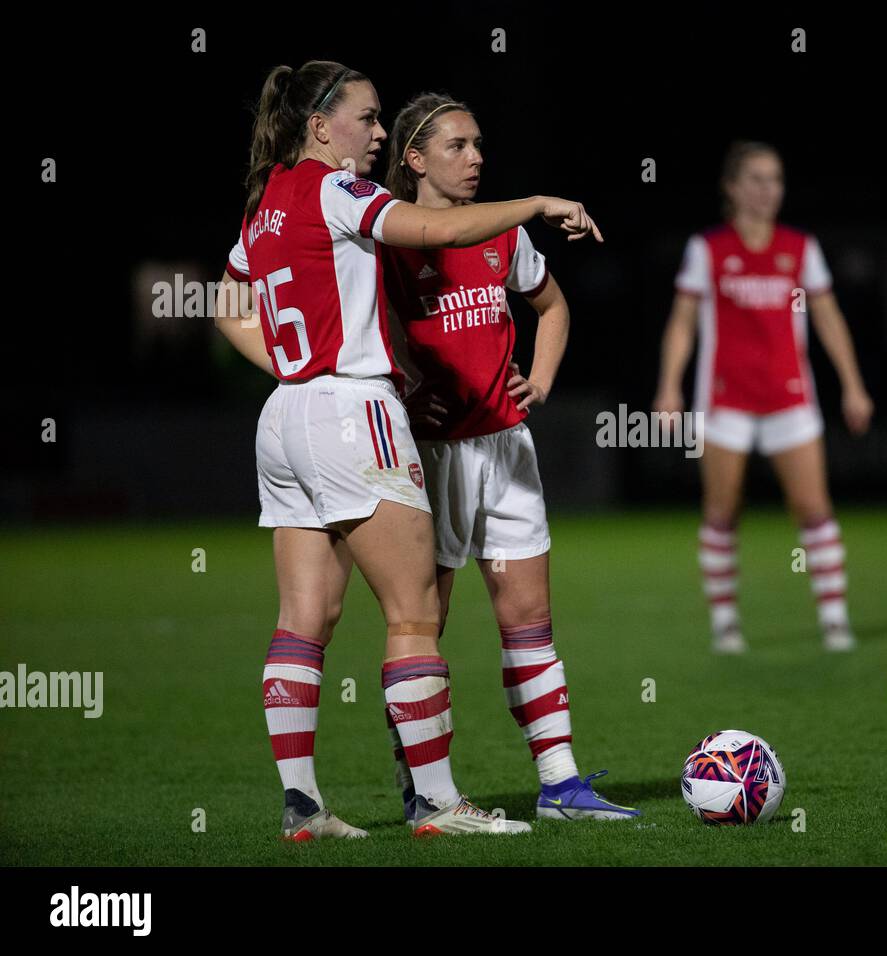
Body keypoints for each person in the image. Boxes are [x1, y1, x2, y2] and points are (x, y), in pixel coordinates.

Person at [213, 60, 602, 839]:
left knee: (305, 617)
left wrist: (292, 366)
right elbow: (441, 229)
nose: (377, 133)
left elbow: (227, 303)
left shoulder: (267, 201)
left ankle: (302, 806)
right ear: (320, 126)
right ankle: (436, 801)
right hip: (351, 410)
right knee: (416, 614)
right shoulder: (337, 189)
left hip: (286, 414)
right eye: (366, 117)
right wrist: (538, 202)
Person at [378, 92, 639, 821]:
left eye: (479, 144)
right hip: (429, 456)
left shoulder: (501, 235)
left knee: (529, 622)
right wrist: (400, 391)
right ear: (415, 158)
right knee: (419, 628)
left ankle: (560, 785)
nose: (476, 158)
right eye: (457, 146)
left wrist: (542, 381)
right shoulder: (387, 238)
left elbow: (552, 307)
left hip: (506, 447)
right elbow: (364, 329)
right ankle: (423, 788)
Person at [653, 141, 873, 654]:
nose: (767, 189)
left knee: (813, 508)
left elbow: (828, 318)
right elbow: (683, 323)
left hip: (790, 397)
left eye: (774, 179)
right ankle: (726, 623)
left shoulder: (800, 247)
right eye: (755, 178)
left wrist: (853, 384)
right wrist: (668, 387)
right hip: (724, 400)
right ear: (731, 187)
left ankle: (835, 620)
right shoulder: (708, 249)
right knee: (723, 510)